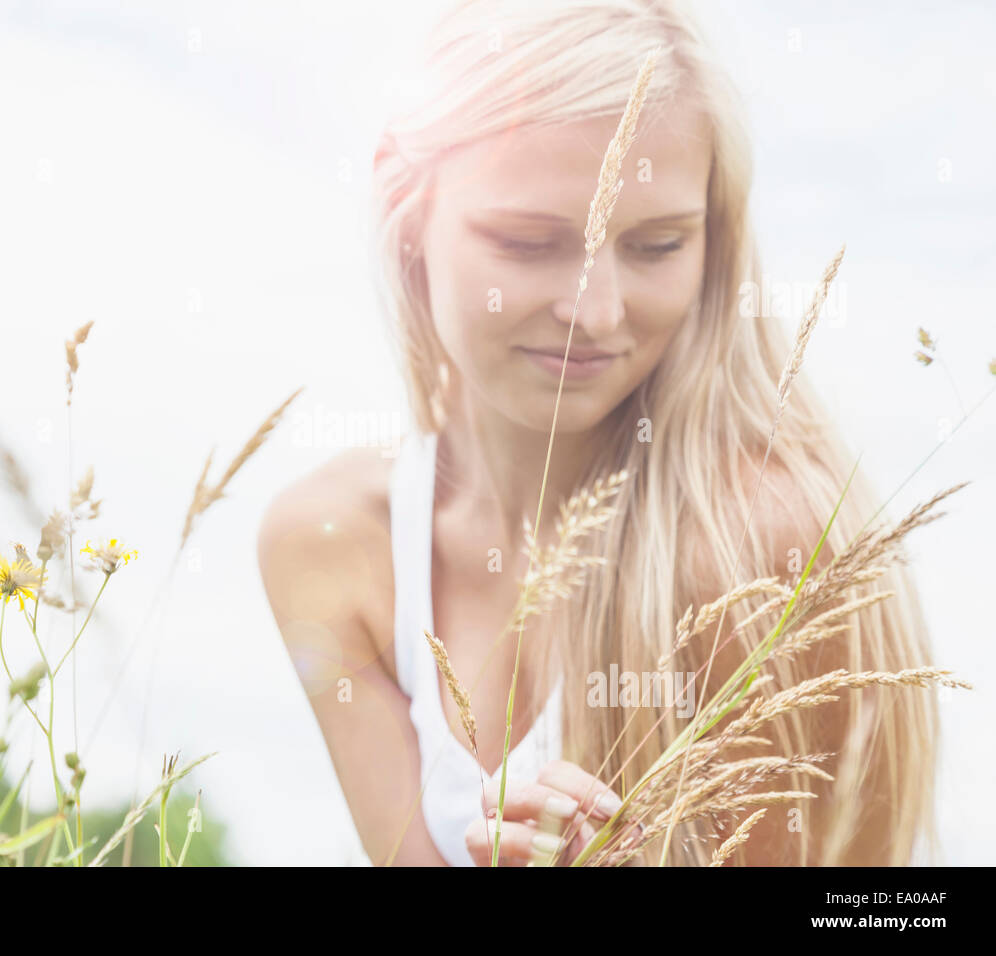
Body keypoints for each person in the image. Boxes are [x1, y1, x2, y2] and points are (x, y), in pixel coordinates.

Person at [258, 0, 937, 866]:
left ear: (713, 237)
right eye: (529, 241)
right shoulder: (328, 545)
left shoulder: (763, 553)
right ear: (406, 206)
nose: (598, 311)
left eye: (656, 245)